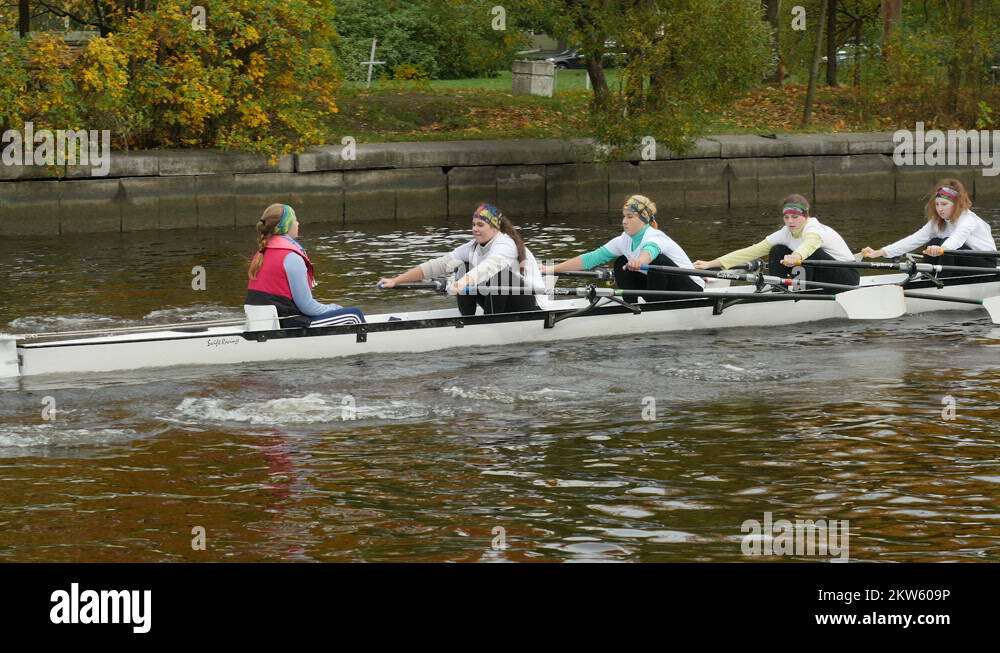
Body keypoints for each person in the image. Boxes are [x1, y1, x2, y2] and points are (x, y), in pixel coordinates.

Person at [377, 204, 545, 315]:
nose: (475, 229)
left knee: (497, 274)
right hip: (501, 299)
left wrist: (456, 285)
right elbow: (437, 266)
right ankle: (468, 322)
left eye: (480, 225)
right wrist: (396, 280)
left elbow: (488, 268)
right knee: (461, 266)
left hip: (530, 304)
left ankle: (488, 325)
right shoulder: (472, 247)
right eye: (473, 224)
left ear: (494, 229)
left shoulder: (506, 244)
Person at [539, 194, 704, 302]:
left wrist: (640, 261)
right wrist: (551, 269)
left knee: (656, 260)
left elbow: (650, 252)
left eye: (630, 217)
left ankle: (654, 308)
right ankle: (630, 304)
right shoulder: (623, 240)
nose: (624, 221)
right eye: (624, 217)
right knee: (621, 262)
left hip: (690, 290)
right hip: (665, 288)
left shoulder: (654, 236)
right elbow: (590, 259)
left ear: (643, 220)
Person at [693, 194, 860, 286]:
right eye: (786, 217)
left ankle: (801, 291)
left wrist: (796, 257)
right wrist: (710, 264)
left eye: (795, 217)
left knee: (812, 253)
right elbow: (751, 251)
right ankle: (780, 289)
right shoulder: (785, 232)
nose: (790, 222)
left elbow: (808, 246)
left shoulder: (813, 229)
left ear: (805, 216)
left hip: (846, 277)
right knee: (777, 249)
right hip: (822, 275)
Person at [246, 203, 365, 328]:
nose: (298, 223)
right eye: (295, 220)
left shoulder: (261, 253)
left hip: (266, 323)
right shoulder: (291, 257)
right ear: (286, 225)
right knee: (354, 315)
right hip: (290, 325)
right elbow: (307, 307)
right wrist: (333, 308)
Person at [860, 179, 997, 275]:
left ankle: (943, 283)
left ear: (956, 204)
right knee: (934, 242)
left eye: (944, 204)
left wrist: (942, 249)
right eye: (937, 204)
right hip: (961, 259)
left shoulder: (968, 219)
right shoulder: (937, 221)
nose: (939, 209)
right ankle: (927, 278)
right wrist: (880, 252)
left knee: (942, 244)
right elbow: (913, 240)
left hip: (985, 263)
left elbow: (957, 239)